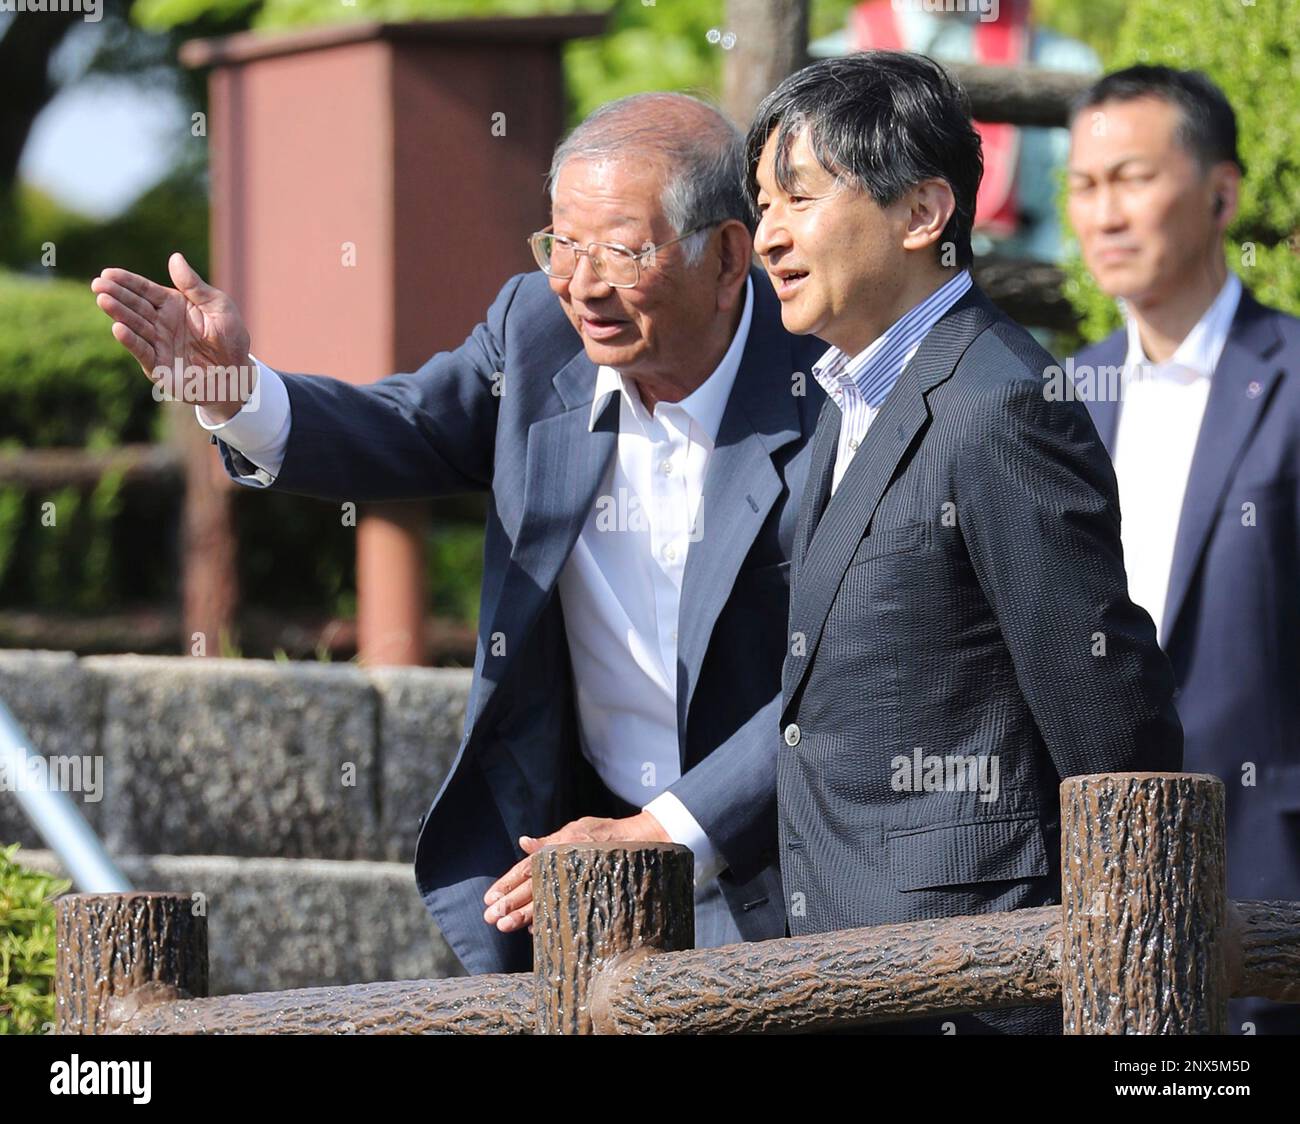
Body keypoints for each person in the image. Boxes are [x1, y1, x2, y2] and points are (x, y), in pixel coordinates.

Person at [91, 93, 827, 974]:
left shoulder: (828, 391)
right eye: (562, 244)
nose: (583, 286)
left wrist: (666, 829)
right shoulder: (536, 332)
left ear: (729, 257)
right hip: (569, 859)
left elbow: (837, 675)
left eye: (623, 252)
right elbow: (406, 428)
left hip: (785, 867)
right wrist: (236, 395)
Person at [744, 51, 1182, 1033]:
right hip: (846, 971)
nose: (768, 234)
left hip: (973, 985)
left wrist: (1122, 961)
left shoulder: (998, 405)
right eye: (762, 203)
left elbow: (1109, 718)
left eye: (798, 198)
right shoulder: (851, 396)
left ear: (921, 214)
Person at [1066, 65, 1300, 1035]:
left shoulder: (1288, 381)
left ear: (1220, 192)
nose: (1104, 214)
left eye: (1131, 178)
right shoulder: (1062, 396)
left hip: (1269, 877)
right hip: (1100, 895)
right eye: (1082, 187)